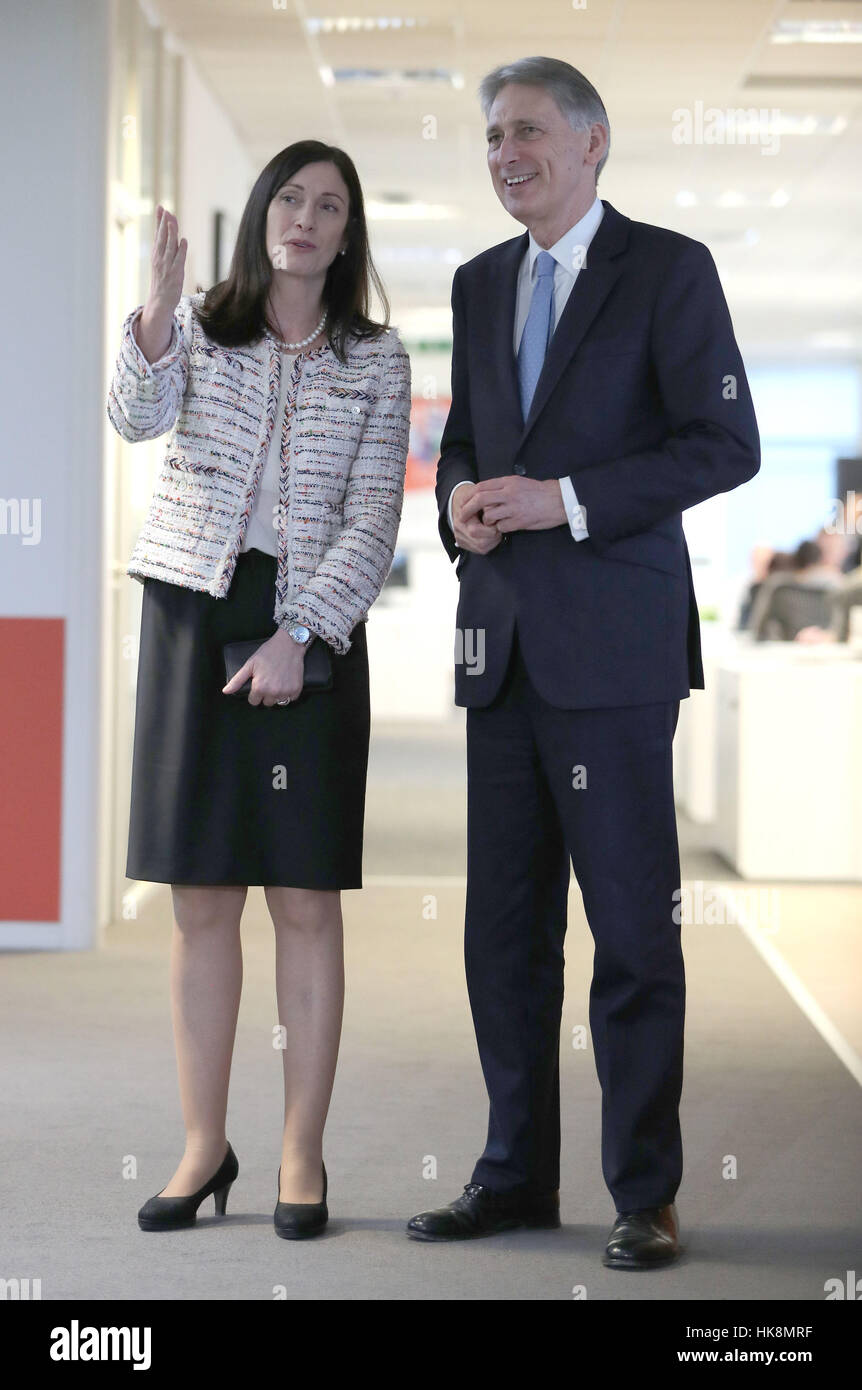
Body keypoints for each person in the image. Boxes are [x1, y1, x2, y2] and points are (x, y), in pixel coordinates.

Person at [407, 57, 760, 1268]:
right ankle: (511, 1175)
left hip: (614, 655)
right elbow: (463, 442)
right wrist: (457, 497)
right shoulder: (474, 282)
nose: (505, 153)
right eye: (492, 135)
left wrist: (563, 499)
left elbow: (725, 442)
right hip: (499, 649)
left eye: (528, 132)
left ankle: (643, 1190)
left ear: (593, 142)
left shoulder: (667, 270)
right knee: (502, 936)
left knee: (630, 931)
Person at [107, 140, 411, 1238]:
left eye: (331, 205)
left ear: (346, 231)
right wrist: (149, 315)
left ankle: (298, 1151)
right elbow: (135, 418)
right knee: (198, 898)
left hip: (312, 624)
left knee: (303, 900)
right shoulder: (200, 322)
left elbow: (373, 520)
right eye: (291, 197)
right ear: (262, 212)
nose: (307, 218)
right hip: (193, 609)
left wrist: (299, 633)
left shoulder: (376, 358)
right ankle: (202, 1144)